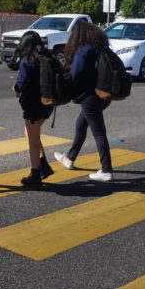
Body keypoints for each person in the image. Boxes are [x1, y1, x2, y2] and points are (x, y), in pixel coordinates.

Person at [53, 21, 114, 181]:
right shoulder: (100, 48)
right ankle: (70, 158)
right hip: (103, 94)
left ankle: (106, 170)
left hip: (89, 97)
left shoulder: (83, 50)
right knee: (81, 124)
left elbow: (75, 73)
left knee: (99, 133)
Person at [11, 31, 56, 186]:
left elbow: (21, 84)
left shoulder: (27, 60)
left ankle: (35, 174)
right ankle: (43, 164)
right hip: (48, 104)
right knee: (31, 133)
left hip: (32, 106)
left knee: (32, 139)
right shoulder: (48, 58)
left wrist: (15, 87)